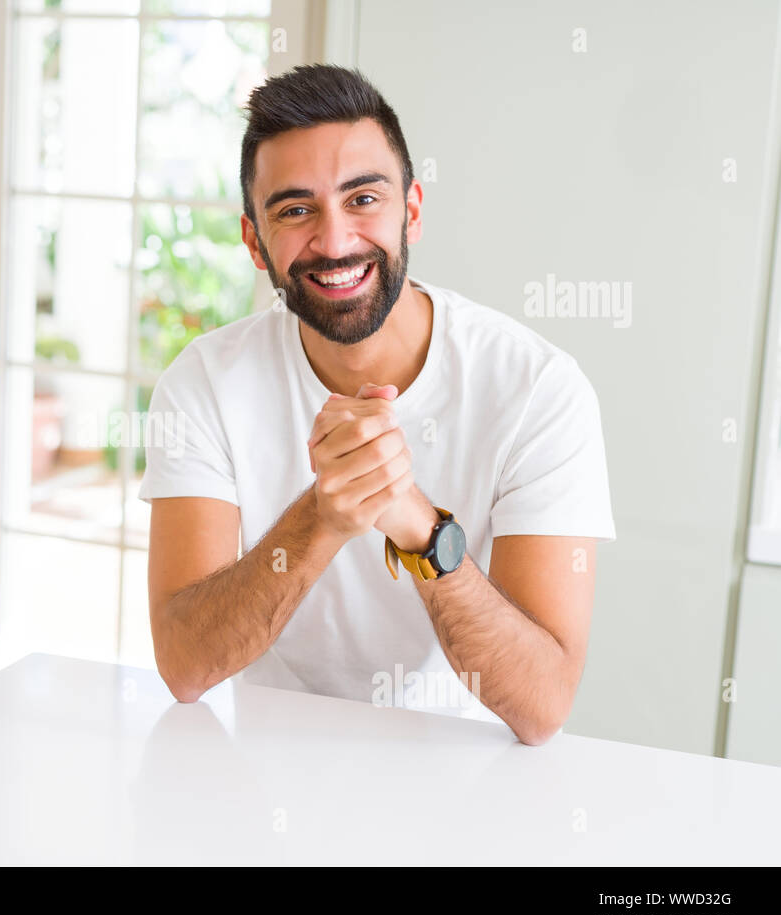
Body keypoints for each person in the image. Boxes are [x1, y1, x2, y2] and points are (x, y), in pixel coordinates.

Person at [139, 64, 616, 746]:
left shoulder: (541, 390)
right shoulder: (205, 383)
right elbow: (184, 667)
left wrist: (420, 528)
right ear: (254, 242)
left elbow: (542, 705)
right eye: (296, 210)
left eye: (362, 199)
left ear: (411, 210)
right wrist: (323, 517)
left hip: (466, 781)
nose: (335, 242)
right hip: (268, 771)